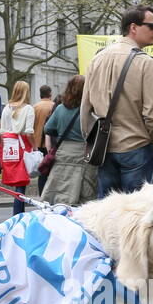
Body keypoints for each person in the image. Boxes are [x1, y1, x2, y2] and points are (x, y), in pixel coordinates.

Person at [81, 4, 153, 196]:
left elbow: (85, 107)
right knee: (136, 213)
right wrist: (152, 138)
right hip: (136, 146)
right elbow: (152, 112)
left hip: (104, 146)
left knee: (107, 213)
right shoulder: (145, 62)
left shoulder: (97, 58)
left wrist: (90, 138)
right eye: (151, 26)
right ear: (133, 27)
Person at [41, 75, 97, 207]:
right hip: (84, 154)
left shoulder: (60, 108)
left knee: (61, 193)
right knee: (85, 195)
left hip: (63, 153)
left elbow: (48, 128)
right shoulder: (90, 110)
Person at [0, 79, 34, 221]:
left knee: (17, 182)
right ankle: (18, 216)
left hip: (7, 145)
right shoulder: (28, 109)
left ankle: (18, 215)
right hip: (21, 145)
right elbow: (29, 132)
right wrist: (34, 147)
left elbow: (2, 128)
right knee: (21, 184)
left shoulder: (6, 108)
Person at [32, 84, 54, 201]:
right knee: (51, 172)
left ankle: (41, 196)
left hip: (38, 144)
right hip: (50, 144)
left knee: (42, 172)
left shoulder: (35, 107)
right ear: (50, 94)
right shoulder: (54, 106)